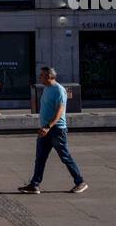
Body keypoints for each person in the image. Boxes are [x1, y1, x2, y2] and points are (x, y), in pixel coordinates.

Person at [19, 67, 87, 195]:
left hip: (56, 130)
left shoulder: (59, 90)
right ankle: (34, 185)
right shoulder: (47, 88)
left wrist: (48, 127)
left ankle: (80, 182)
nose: (40, 77)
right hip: (46, 129)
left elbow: (60, 111)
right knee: (40, 158)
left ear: (49, 76)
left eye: (42, 75)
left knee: (65, 157)